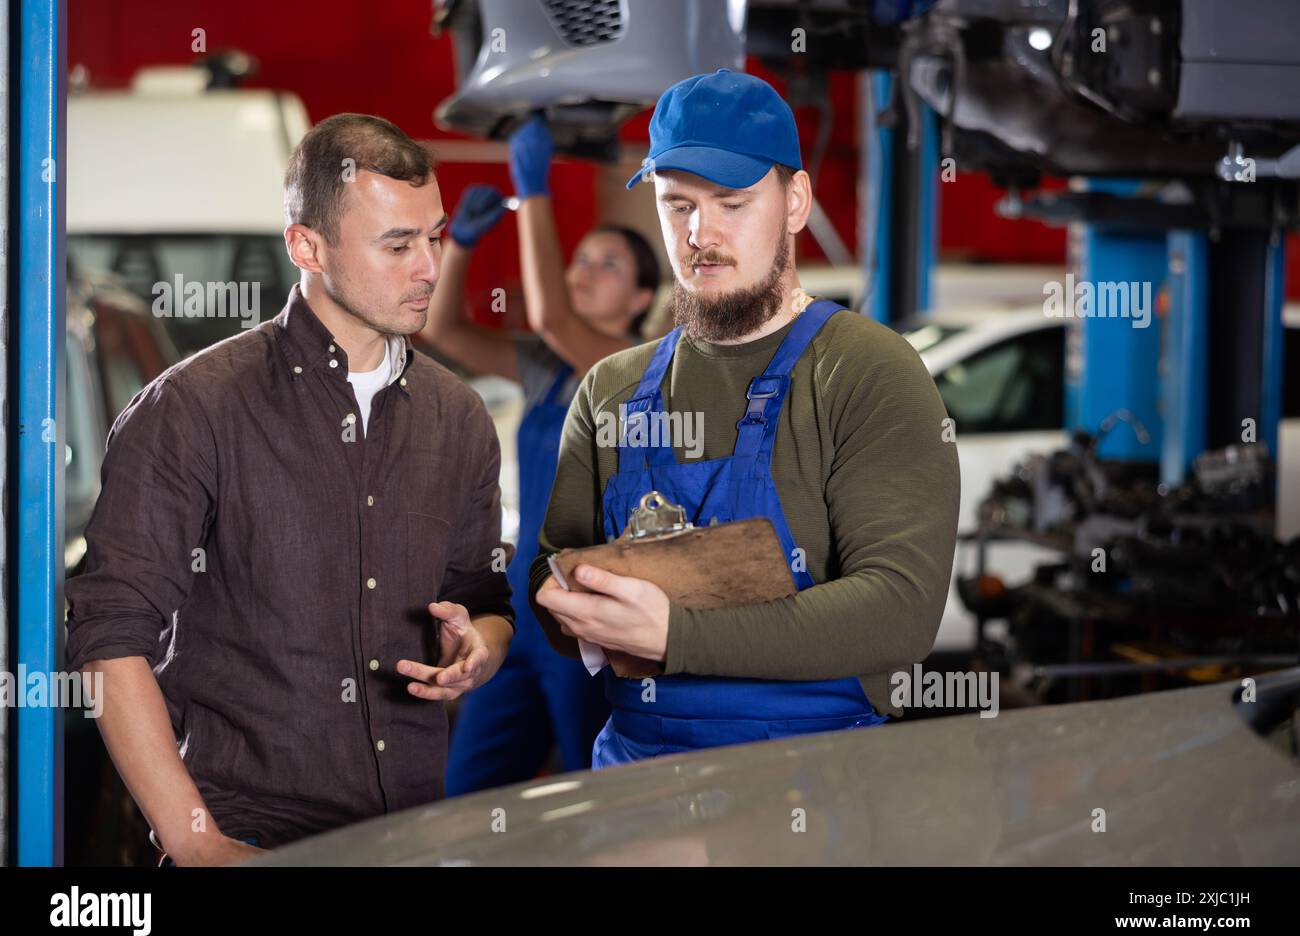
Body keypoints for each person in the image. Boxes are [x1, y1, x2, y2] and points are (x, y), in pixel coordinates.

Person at [66, 113, 515, 863]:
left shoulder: (459, 418)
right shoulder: (194, 408)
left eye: (433, 236)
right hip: (249, 834)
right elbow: (110, 635)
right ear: (307, 246)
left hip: (408, 833)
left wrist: (479, 648)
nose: (429, 267)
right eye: (397, 245)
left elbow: (483, 597)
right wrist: (196, 841)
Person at [529, 69, 961, 766]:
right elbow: (553, 566)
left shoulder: (864, 370)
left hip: (814, 786)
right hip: (637, 774)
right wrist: (576, 607)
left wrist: (676, 635)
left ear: (795, 201)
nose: (702, 234)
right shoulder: (610, 389)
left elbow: (899, 611)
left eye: (732, 202)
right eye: (678, 206)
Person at [418, 117, 661, 793]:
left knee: (595, 789)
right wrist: (458, 243)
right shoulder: (546, 368)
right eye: (580, 258)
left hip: (589, 617)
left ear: (643, 298)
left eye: (607, 265)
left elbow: (553, 315)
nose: (585, 271)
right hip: (522, 613)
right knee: (469, 792)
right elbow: (441, 327)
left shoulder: (631, 371)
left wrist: (537, 190)